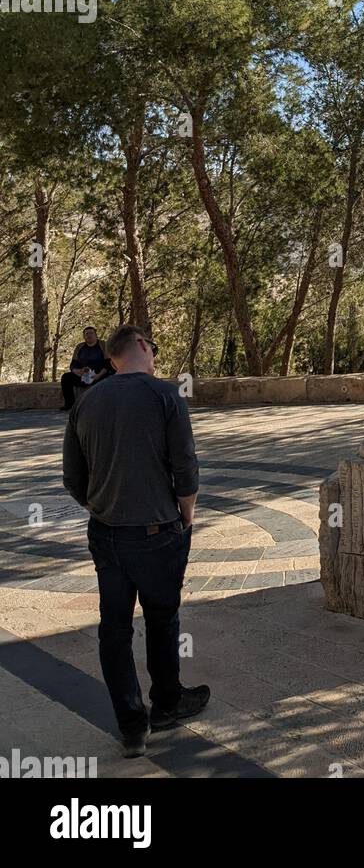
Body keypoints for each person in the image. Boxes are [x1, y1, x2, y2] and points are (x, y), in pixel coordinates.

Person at [62, 324, 209, 757]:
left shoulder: (86, 401)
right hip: (157, 531)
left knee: (114, 629)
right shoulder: (166, 396)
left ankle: (131, 726)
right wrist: (186, 513)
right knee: (163, 619)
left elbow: (73, 479)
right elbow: (186, 466)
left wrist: (102, 506)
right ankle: (166, 703)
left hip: (106, 535)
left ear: (111, 359)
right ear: (143, 347)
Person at [59, 326, 111, 411]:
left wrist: (99, 375)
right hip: (83, 375)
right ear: (84, 336)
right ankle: (69, 404)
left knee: (109, 377)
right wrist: (77, 371)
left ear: (96, 335)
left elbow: (108, 364)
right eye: (86, 334)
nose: (89, 335)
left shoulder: (103, 345)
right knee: (66, 377)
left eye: (91, 333)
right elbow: (73, 364)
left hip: (99, 375)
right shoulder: (80, 346)